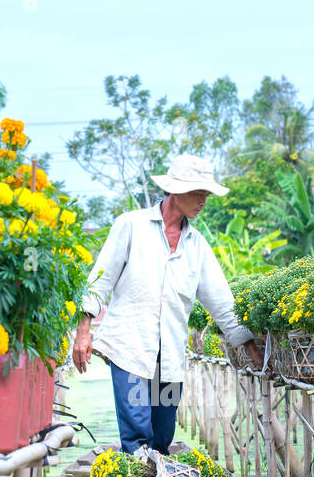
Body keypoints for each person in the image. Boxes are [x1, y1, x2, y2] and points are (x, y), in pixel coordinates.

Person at [71, 154, 261, 453]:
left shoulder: (196, 245)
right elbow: (100, 281)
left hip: (169, 358)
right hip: (129, 351)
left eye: (206, 195)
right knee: (137, 431)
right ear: (176, 191)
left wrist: (249, 345)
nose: (203, 201)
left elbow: (221, 302)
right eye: (199, 193)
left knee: (163, 433)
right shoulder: (131, 225)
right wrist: (84, 332)